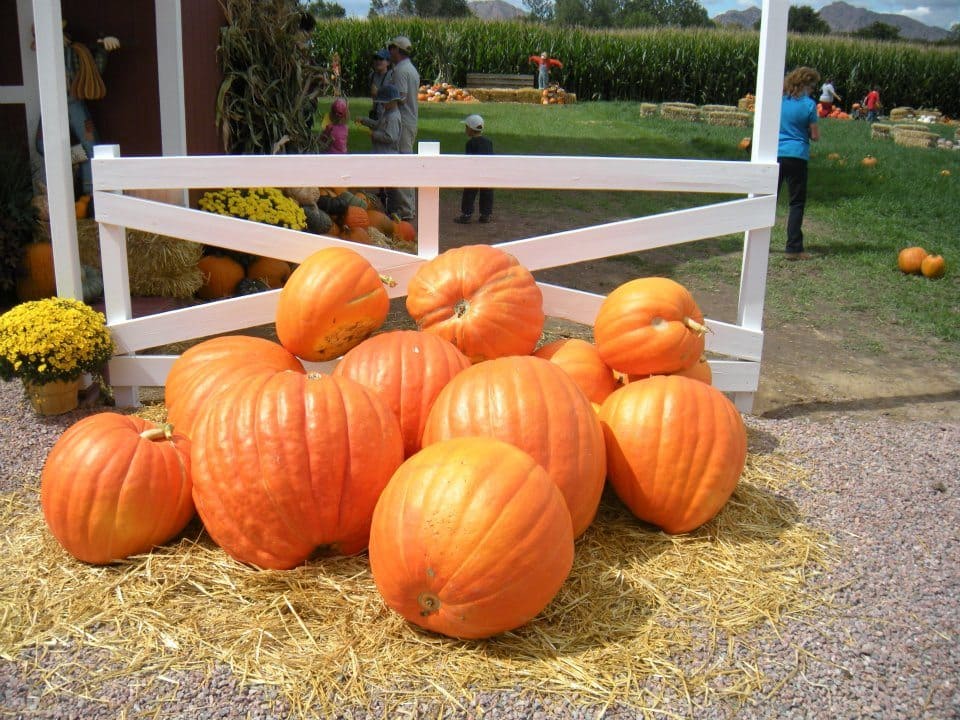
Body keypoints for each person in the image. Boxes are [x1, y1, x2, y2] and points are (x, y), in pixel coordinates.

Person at [32, 23, 121, 198]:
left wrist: (103, 47)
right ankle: (62, 188)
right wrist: (72, 156)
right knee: (43, 145)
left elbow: (93, 70)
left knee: (91, 145)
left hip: (74, 102)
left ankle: (89, 195)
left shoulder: (75, 53)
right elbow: (41, 147)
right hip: (52, 103)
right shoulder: (44, 55)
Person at [777, 66, 820, 261]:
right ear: (805, 85)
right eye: (812, 86)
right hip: (797, 155)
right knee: (796, 203)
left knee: (769, 199)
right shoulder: (809, 105)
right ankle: (794, 248)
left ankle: (753, 240)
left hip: (775, 153)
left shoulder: (780, 101)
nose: (813, 90)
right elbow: (815, 135)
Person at [385, 36, 420, 221]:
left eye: (392, 48)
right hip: (410, 120)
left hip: (403, 121)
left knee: (402, 163)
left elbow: (402, 97)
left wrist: (383, 97)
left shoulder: (400, 71)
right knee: (405, 161)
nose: (390, 52)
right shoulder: (410, 69)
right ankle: (405, 206)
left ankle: (405, 210)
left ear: (397, 50)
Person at [360, 84, 404, 216]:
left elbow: (390, 137)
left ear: (392, 102)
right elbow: (378, 124)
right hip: (381, 153)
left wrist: (374, 135)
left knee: (391, 185)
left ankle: (393, 210)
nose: (383, 105)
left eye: (384, 103)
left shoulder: (393, 117)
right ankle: (384, 204)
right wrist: (365, 121)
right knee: (382, 183)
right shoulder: (387, 113)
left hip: (388, 154)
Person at [453, 114, 494, 225]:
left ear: (470, 129)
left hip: (473, 173)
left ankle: (467, 214)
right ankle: (485, 214)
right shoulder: (488, 142)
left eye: (466, 127)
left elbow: (469, 159)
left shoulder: (470, 143)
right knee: (487, 192)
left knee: (469, 193)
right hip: (487, 173)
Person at [364, 48, 391, 125]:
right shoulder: (372, 76)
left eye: (381, 59)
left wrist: (378, 93)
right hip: (375, 113)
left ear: (388, 62)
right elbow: (373, 97)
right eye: (375, 59)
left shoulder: (392, 76)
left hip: (387, 115)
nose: (377, 61)